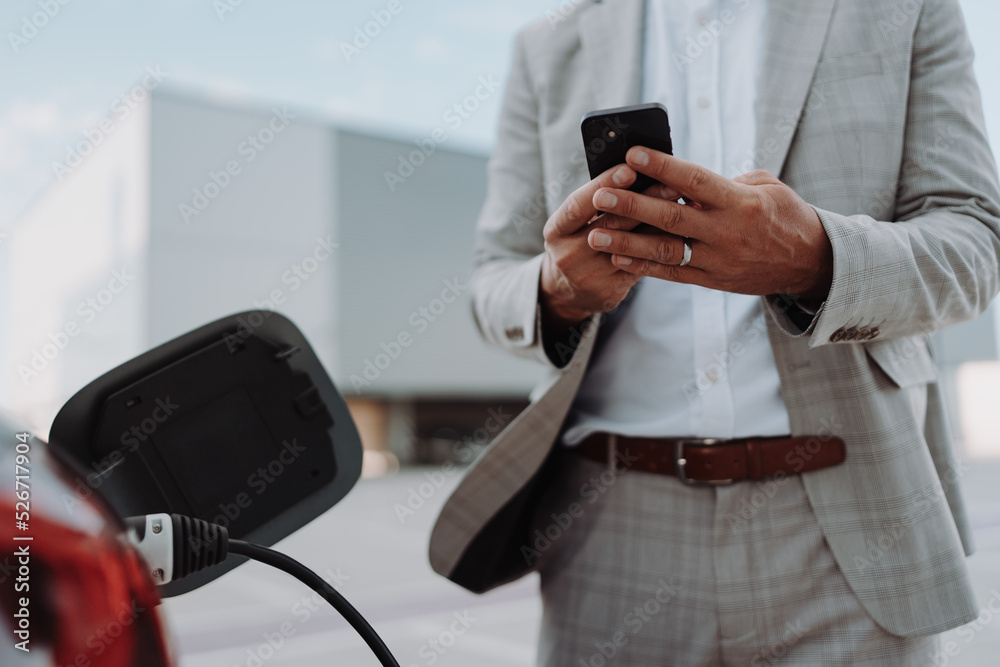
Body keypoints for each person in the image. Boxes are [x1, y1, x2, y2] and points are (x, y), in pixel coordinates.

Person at [430, 0, 1000, 664]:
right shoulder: (548, 44)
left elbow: (975, 243)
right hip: (610, 530)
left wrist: (817, 257)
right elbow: (492, 279)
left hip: (845, 527)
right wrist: (559, 288)